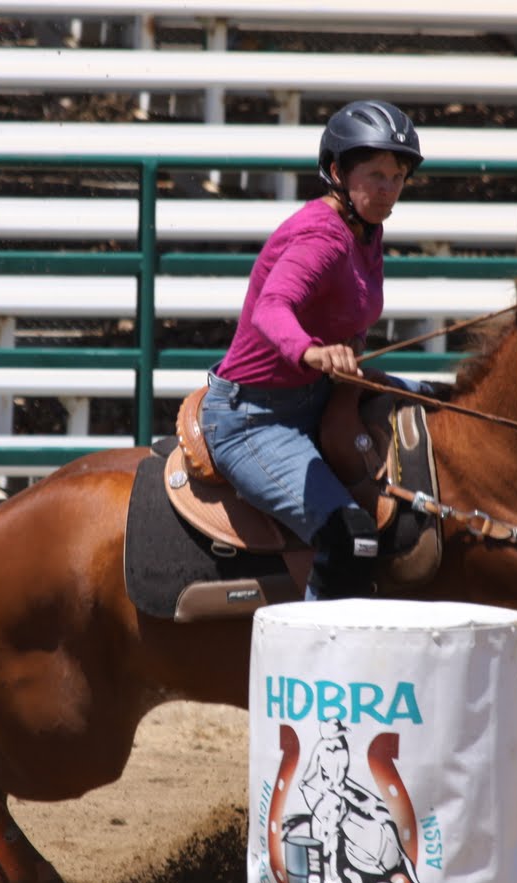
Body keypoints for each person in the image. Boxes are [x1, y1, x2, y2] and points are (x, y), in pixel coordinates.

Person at [199, 99, 423, 600]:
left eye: (398, 176)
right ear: (337, 172)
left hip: (319, 399)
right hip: (254, 419)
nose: (388, 189)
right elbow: (273, 307)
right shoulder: (322, 235)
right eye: (375, 175)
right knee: (349, 537)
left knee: (441, 401)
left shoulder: (366, 228)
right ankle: (313, 664)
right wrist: (311, 352)